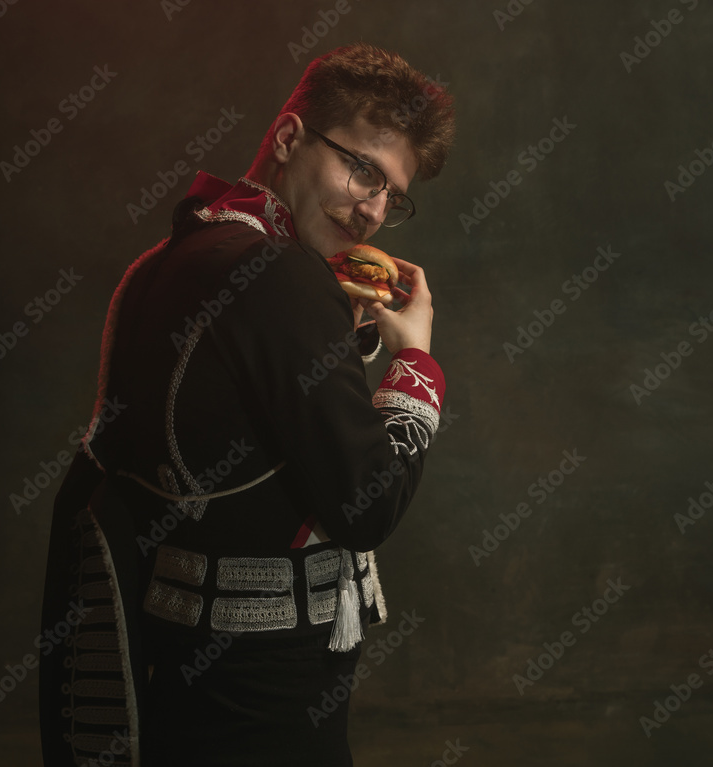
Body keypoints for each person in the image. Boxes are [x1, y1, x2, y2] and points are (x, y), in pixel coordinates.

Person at [38, 43, 455, 767]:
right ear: (291, 137)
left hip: (182, 670)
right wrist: (415, 361)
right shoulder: (283, 277)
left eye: (393, 191)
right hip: (269, 695)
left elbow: (236, 418)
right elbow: (369, 505)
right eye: (362, 168)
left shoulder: (162, 262)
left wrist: (338, 334)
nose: (374, 207)